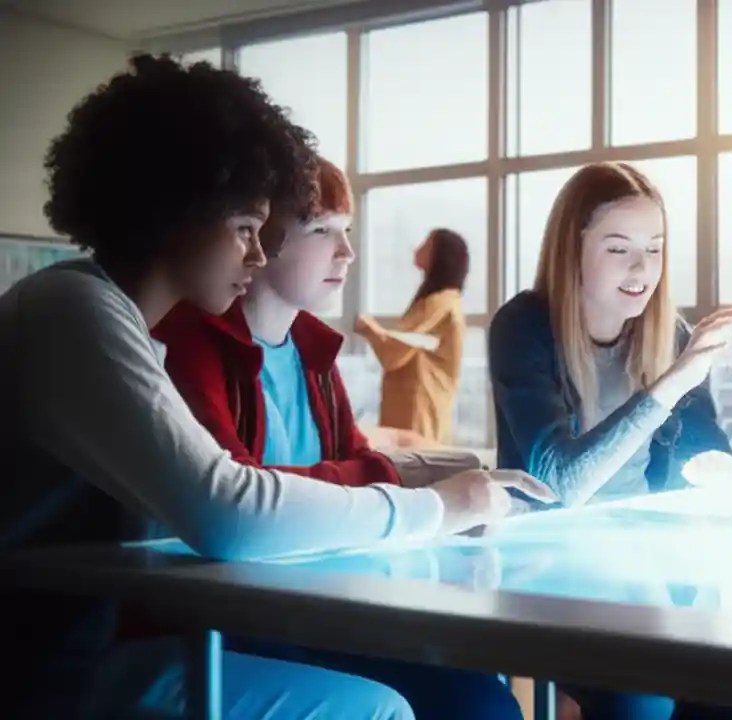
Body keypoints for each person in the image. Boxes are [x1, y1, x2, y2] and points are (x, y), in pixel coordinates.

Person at [0, 54, 539, 718]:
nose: (258, 255)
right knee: (381, 708)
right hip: (49, 670)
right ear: (176, 212)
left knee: (463, 695)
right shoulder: (72, 310)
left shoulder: (119, 322)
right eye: (245, 230)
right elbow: (228, 509)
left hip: (90, 646)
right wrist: (438, 507)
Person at [153, 157, 546, 718]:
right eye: (321, 230)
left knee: (481, 700)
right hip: (233, 617)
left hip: (322, 603)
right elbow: (244, 494)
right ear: (258, 235)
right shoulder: (193, 344)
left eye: (348, 230)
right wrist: (404, 484)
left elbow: (354, 461)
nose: (347, 252)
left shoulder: (312, 348)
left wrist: (399, 481)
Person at [488, 161, 732, 719]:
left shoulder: (669, 333)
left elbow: (705, 451)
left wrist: (718, 468)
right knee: (644, 698)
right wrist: (671, 383)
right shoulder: (524, 326)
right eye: (619, 249)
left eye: (654, 249)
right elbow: (562, 483)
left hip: (642, 554)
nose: (641, 269)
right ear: (573, 250)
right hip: (549, 561)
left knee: (729, 671)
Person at [356, 228, 469, 446]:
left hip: (418, 412)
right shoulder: (438, 301)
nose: (417, 249)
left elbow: (394, 352)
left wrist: (368, 328)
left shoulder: (440, 303)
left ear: (441, 256)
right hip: (412, 409)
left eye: (427, 244)